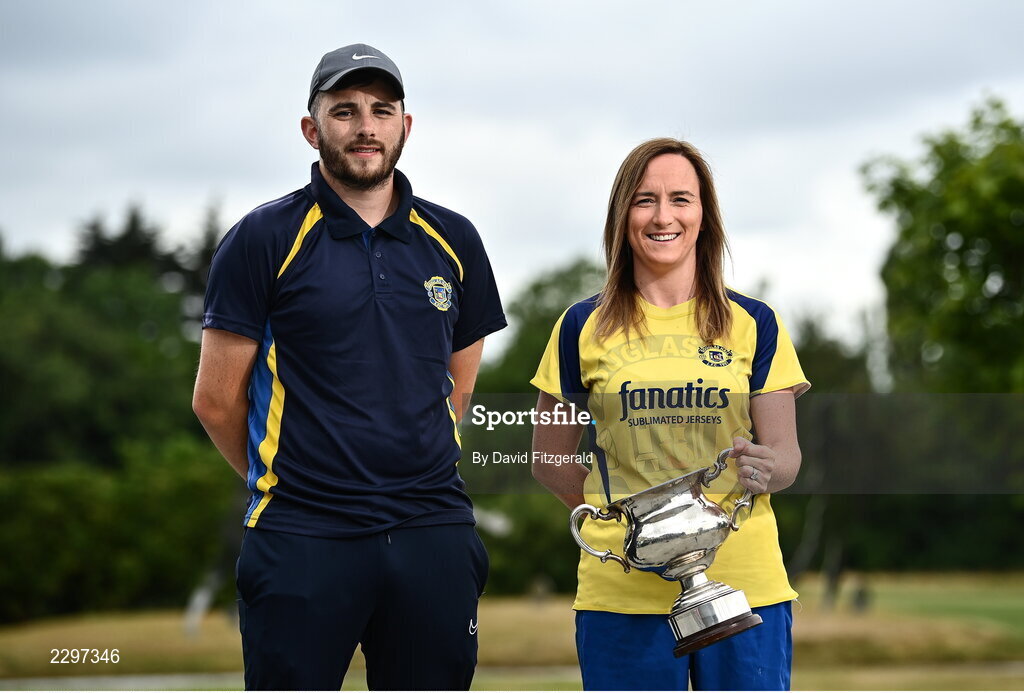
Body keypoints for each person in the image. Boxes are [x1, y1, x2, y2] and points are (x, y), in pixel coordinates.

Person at [192, 44, 506, 691]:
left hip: (430, 529)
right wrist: (294, 481)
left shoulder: (455, 239)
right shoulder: (263, 237)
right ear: (312, 128)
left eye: (380, 110)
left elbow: (458, 387)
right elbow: (216, 401)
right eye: (345, 111)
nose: (365, 126)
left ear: (404, 126)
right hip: (302, 533)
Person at [530, 138, 809, 691]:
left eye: (681, 199)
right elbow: (547, 458)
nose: (663, 216)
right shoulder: (580, 325)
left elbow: (786, 456)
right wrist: (630, 524)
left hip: (746, 584)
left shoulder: (755, 322)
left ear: (704, 215)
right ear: (621, 215)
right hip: (622, 590)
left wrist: (764, 468)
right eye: (644, 200)